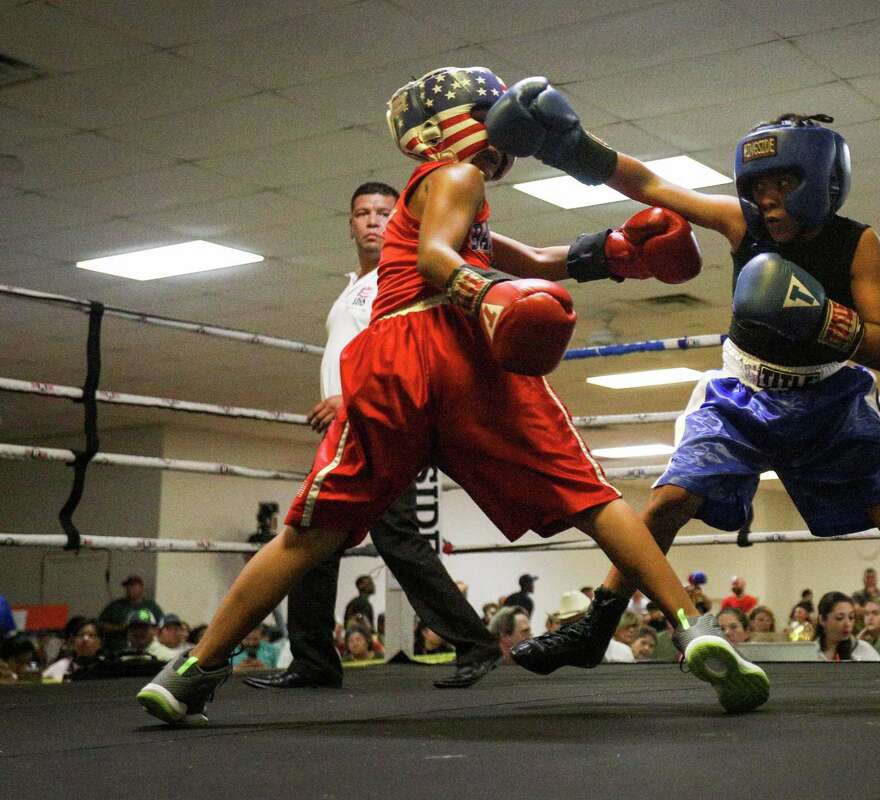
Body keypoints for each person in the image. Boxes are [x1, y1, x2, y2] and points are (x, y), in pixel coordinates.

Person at [138, 66, 767, 725]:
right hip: (453, 345)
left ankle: (192, 671)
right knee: (592, 499)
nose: (510, 140)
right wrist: (488, 297)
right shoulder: (454, 175)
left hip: (390, 365)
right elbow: (440, 259)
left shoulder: (447, 190)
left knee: (308, 534)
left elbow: (529, 258)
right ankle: (697, 631)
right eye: (497, 120)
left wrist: (612, 253)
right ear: (456, 127)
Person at [491, 82, 880, 702]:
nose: (768, 201)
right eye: (759, 187)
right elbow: (650, 186)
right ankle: (596, 626)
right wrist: (568, 146)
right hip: (742, 394)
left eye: (783, 185)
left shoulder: (858, 242)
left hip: (830, 398)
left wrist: (819, 316)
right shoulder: (739, 221)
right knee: (667, 501)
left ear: (823, 179)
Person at [243, 182, 504, 694]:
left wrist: (350, 397)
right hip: (351, 428)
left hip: (382, 419)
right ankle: (314, 658)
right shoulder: (351, 288)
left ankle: (475, 642)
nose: (372, 221)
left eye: (384, 212)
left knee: (392, 535)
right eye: (362, 213)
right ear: (350, 223)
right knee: (314, 536)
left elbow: (396, 351)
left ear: (401, 220)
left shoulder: (399, 277)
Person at [97, 576, 163, 655]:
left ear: (141, 588)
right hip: (117, 649)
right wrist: (120, 628)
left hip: (147, 651)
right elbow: (100, 625)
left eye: (133, 586)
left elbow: (162, 625)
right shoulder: (115, 606)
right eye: (128, 587)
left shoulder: (151, 606)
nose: (130, 589)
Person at [814, 591, 880, 662]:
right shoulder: (810, 652)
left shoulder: (863, 650)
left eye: (851, 617)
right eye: (840, 618)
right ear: (822, 620)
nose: (848, 624)